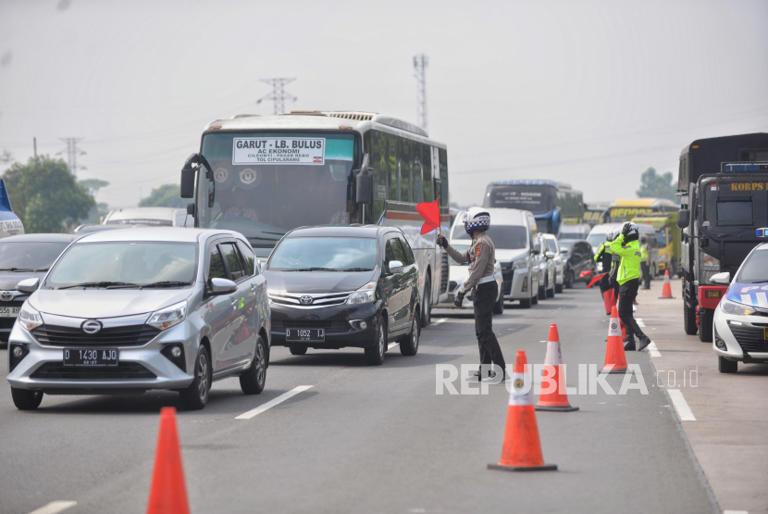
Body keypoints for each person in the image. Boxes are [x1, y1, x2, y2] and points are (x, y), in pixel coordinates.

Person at [437, 209, 506, 381]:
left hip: (485, 288)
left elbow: (477, 272)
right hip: (482, 289)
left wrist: (462, 290)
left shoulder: (483, 243)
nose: (466, 227)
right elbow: (461, 259)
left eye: (467, 223)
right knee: (480, 332)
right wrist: (446, 245)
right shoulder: (477, 242)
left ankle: (500, 369)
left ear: (474, 224)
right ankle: (484, 369)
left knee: (485, 332)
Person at [609, 222, 652, 351]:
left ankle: (642, 337)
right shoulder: (634, 247)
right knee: (627, 313)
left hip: (627, 284)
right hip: (630, 283)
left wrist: (622, 235)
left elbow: (613, 246)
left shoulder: (629, 249)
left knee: (623, 313)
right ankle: (631, 342)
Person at [594, 231, 617, 316]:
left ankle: (608, 308)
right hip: (615, 272)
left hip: (605, 271)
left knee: (604, 288)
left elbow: (596, 258)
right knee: (615, 289)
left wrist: (602, 259)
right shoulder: (616, 245)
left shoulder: (604, 245)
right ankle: (614, 308)